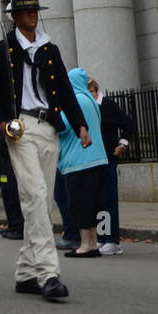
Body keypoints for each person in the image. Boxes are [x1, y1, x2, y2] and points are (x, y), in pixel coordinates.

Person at [0, 0, 89, 301]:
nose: (32, 16)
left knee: (42, 203)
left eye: (34, 11)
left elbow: (66, 90)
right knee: (36, 194)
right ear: (14, 16)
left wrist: (80, 123)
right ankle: (48, 273)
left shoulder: (49, 49)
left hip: (48, 127)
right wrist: (0, 124)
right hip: (20, 129)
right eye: (26, 11)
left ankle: (25, 272)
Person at [57, 68, 108, 257]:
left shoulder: (75, 101)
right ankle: (93, 243)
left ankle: (85, 244)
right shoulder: (91, 100)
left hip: (78, 160)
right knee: (92, 203)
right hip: (97, 158)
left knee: (78, 204)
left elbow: (61, 128)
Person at [87, 76, 135, 254]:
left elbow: (128, 123)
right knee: (99, 199)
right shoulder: (89, 108)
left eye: (91, 91)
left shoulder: (106, 105)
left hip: (107, 157)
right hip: (96, 158)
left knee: (108, 199)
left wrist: (122, 144)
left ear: (96, 90)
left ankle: (113, 240)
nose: (89, 95)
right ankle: (103, 236)